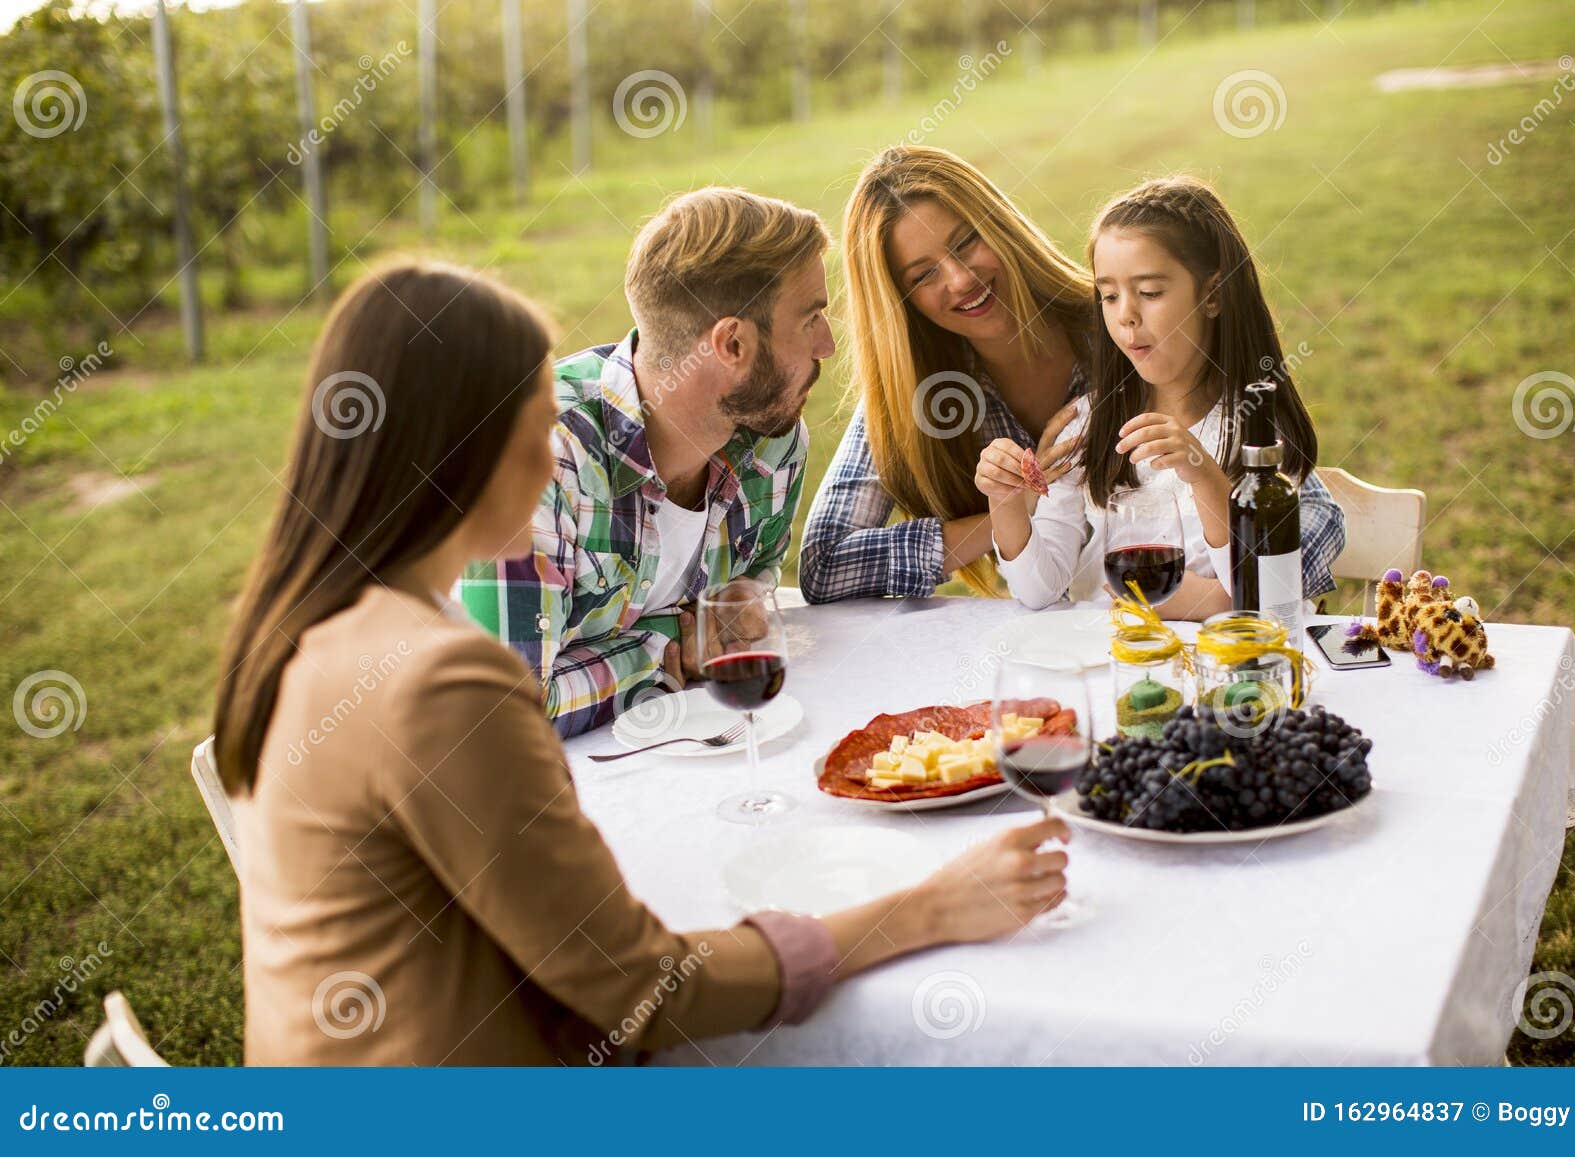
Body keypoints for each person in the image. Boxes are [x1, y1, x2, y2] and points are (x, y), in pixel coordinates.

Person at [212, 260, 1071, 1066]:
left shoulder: (324, 634)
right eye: (534, 427)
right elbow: (639, 987)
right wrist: (931, 907)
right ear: (458, 447)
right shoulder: (442, 682)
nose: (553, 460)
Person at [454, 188, 833, 737]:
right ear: (731, 345)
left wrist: (738, 610)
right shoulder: (537, 459)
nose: (828, 346)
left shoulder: (772, 443)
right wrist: (662, 648)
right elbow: (500, 715)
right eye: (810, 320)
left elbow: (754, 580)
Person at [977, 176, 1346, 615]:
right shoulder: (1089, 425)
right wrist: (1005, 503)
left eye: (1150, 292)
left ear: (1212, 294)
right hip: (1107, 666)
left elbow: (1262, 591)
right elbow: (1039, 590)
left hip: (1219, 665)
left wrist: (1204, 476)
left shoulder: (1256, 429)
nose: (1126, 316)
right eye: (1109, 296)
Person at [800, 145, 1097, 603]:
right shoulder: (923, 392)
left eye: (965, 243)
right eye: (923, 276)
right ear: (902, 303)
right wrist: (1009, 511)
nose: (960, 280)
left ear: (1000, 225)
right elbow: (824, 565)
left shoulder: (1114, 327)